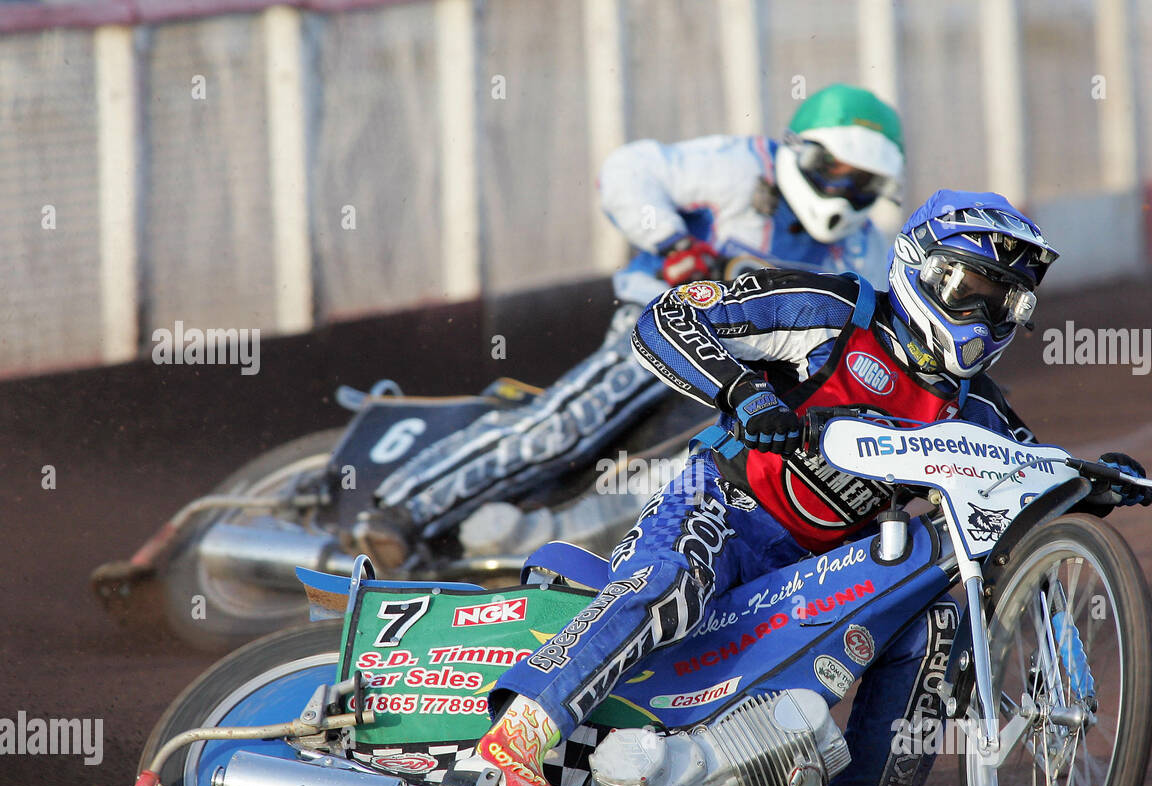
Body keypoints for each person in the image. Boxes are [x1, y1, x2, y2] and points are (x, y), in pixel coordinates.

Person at [438, 188, 1152, 786]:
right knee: (672, 580)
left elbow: (1029, 478)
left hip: (814, 568)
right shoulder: (831, 308)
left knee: (935, 618)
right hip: (717, 501)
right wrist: (745, 395)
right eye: (972, 288)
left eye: (1005, 302)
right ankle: (512, 744)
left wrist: (1094, 482)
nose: (984, 313)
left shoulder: (978, 409)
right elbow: (669, 317)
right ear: (923, 268)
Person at [354, 84, 906, 569]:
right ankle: (404, 510)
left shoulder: (862, 249)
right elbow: (628, 170)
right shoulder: (736, 165)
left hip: (750, 383)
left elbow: (876, 334)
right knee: (564, 428)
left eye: (860, 183)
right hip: (666, 330)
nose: (839, 191)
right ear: (796, 149)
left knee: (678, 487)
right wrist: (671, 243)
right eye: (830, 169)